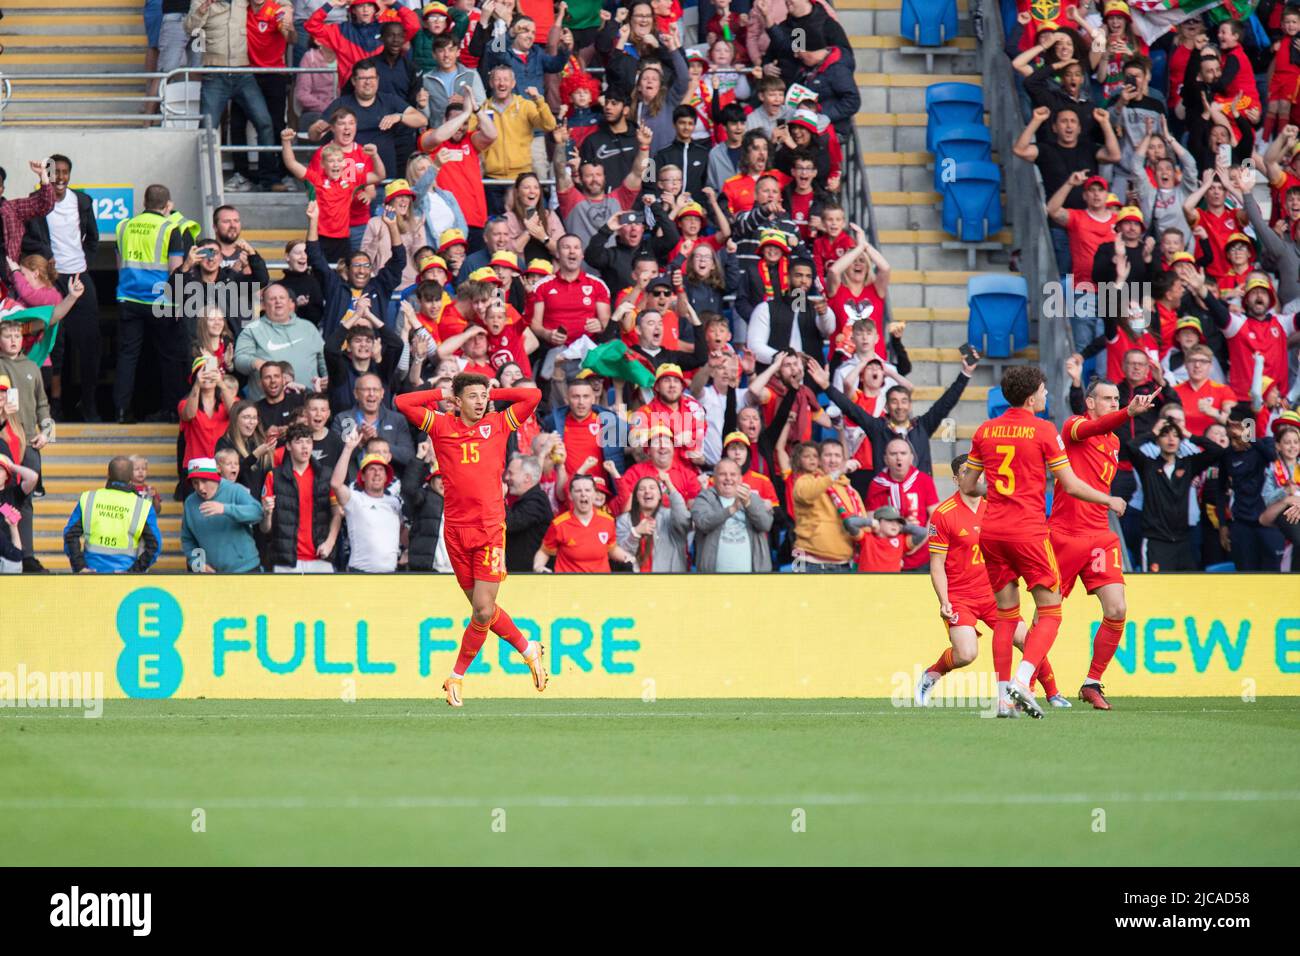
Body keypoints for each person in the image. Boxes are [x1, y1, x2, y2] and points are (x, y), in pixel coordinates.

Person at [965, 365, 1128, 719]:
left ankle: (1002, 699)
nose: (1046, 395)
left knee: (1007, 616)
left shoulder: (985, 430)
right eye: (1042, 390)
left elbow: (968, 485)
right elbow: (1067, 484)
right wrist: (1109, 500)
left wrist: (994, 488)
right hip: (1032, 533)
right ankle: (1024, 683)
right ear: (1031, 395)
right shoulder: (1046, 429)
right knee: (1050, 612)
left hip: (992, 533)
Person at [394, 374, 547, 707]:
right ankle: (527, 648)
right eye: (473, 396)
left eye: (483, 396)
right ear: (458, 401)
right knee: (484, 610)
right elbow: (401, 403)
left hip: (490, 529)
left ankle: (456, 677)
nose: (480, 402)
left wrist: (497, 391)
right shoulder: (440, 425)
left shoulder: (498, 423)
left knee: (481, 610)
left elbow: (533, 396)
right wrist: (440, 393)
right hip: (455, 531)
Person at [1052, 384, 1157, 710]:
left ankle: (1091, 682)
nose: (1113, 402)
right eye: (1107, 399)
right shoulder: (1074, 427)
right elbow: (1096, 425)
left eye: (1117, 398)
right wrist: (1127, 412)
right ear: (1090, 402)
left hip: (1099, 534)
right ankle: (1030, 683)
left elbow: (1108, 428)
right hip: (1064, 534)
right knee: (1048, 614)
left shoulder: (1113, 442)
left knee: (1117, 609)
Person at [917, 455, 1040, 714]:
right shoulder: (943, 514)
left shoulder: (995, 508)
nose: (976, 476)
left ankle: (1028, 690)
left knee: (1027, 640)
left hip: (995, 594)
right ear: (956, 479)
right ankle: (931, 675)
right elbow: (937, 564)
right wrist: (944, 600)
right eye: (967, 471)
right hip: (961, 596)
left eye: (979, 471)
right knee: (965, 654)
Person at [20, 154, 100, 422]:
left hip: (79, 277)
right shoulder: (37, 202)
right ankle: (54, 405)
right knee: (55, 345)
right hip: (52, 279)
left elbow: (93, 238)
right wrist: (45, 255)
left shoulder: (83, 201)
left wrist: (84, 264)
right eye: (55, 172)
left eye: (65, 172)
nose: (61, 177)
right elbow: (29, 239)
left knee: (89, 344)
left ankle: (89, 405)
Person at [114, 184, 188, 423]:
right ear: (167, 206)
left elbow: (119, 264)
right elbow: (176, 270)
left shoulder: (123, 226)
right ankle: (171, 410)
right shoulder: (170, 228)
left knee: (128, 356)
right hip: (161, 301)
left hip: (128, 297)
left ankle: (122, 410)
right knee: (169, 357)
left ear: (144, 203)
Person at [1129, 414, 1227, 572]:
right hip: (1156, 541)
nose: (1171, 439)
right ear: (1157, 441)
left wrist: (1188, 434)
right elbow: (1130, 447)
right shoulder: (1148, 466)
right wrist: (1153, 432)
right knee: (1155, 589)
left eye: (1175, 435)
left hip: (1183, 541)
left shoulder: (1188, 465)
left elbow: (1217, 451)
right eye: (1165, 434)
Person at [259, 421, 340, 572]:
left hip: (320, 557)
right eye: (299, 442)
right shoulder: (273, 476)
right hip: (285, 561)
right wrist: (267, 513)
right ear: (288, 446)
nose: (305, 447)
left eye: (308, 442)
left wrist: (330, 542)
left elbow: (338, 514)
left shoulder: (326, 475)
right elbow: (265, 529)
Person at [62, 455, 163, 573]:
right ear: (131, 477)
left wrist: (80, 567)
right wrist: (134, 572)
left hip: (90, 574)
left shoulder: (89, 498)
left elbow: (70, 535)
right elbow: (155, 546)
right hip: (124, 576)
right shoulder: (142, 506)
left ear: (108, 475)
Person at [233, 284, 328, 402]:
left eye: (282, 298)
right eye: (272, 299)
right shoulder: (252, 329)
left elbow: (324, 359)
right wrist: (255, 362)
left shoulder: (308, 327)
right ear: (263, 305)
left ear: (289, 302)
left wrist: (327, 378)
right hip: (267, 408)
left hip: (306, 406)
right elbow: (239, 361)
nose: (278, 301)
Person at [331, 427, 403, 572]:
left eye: (381, 469)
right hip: (360, 573)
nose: (377, 473)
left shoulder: (395, 502)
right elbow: (336, 484)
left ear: (386, 476)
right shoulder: (355, 499)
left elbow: (404, 529)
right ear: (362, 476)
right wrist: (348, 448)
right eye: (371, 469)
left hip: (391, 575)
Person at [536, 473, 636, 572]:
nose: (583, 494)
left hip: (600, 584)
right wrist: (538, 566)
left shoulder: (608, 521)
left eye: (588, 490)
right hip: (570, 585)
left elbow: (612, 549)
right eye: (578, 491)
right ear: (570, 495)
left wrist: (627, 557)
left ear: (593, 494)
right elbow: (544, 551)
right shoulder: (559, 524)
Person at [180, 457, 264, 573]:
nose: (200, 487)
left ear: (215, 478)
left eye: (204, 481)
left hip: (246, 569)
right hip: (213, 574)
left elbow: (257, 512)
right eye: (195, 482)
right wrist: (198, 563)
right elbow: (187, 539)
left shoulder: (235, 490)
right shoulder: (190, 503)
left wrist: (225, 509)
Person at [691, 457, 774, 572]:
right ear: (714, 478)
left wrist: (749, 504)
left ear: (740, 479)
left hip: (751, 579)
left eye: (733, 474)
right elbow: (703, 523)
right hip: (713, 579)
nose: (728, 478)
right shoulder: (705, 498)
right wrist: (732, 509)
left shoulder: (752, 498)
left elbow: (765, 525)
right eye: (722, 474)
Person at [333, 373, 415, 470]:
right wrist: (360, 443)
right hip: (351, 482)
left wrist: (377, 441)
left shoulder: (397, 420)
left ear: (382, 393)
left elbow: (409, 457)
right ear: (356, 394)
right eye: (366, 390)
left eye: (375, 390)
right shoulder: (343, 419)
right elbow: (334, 456)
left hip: (388, 481)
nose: (371, 394)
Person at [615, 474, 691, 572]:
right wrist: (635, 533)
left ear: (660, 496)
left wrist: (669, 484)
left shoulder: (670, 516)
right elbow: (621, 553)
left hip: (669, 581)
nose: (647, 491)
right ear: (636, 497)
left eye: (652, 488)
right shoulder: (624, 520)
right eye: (642, 489)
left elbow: (684, 520)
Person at [504, 454, 553, 572]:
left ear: (527, 478)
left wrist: (500, 499)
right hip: (524, 575)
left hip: (532, 577)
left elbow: (510, 524)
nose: (506, 478)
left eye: (511, 473)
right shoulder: (527, 499)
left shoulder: (537, 500)